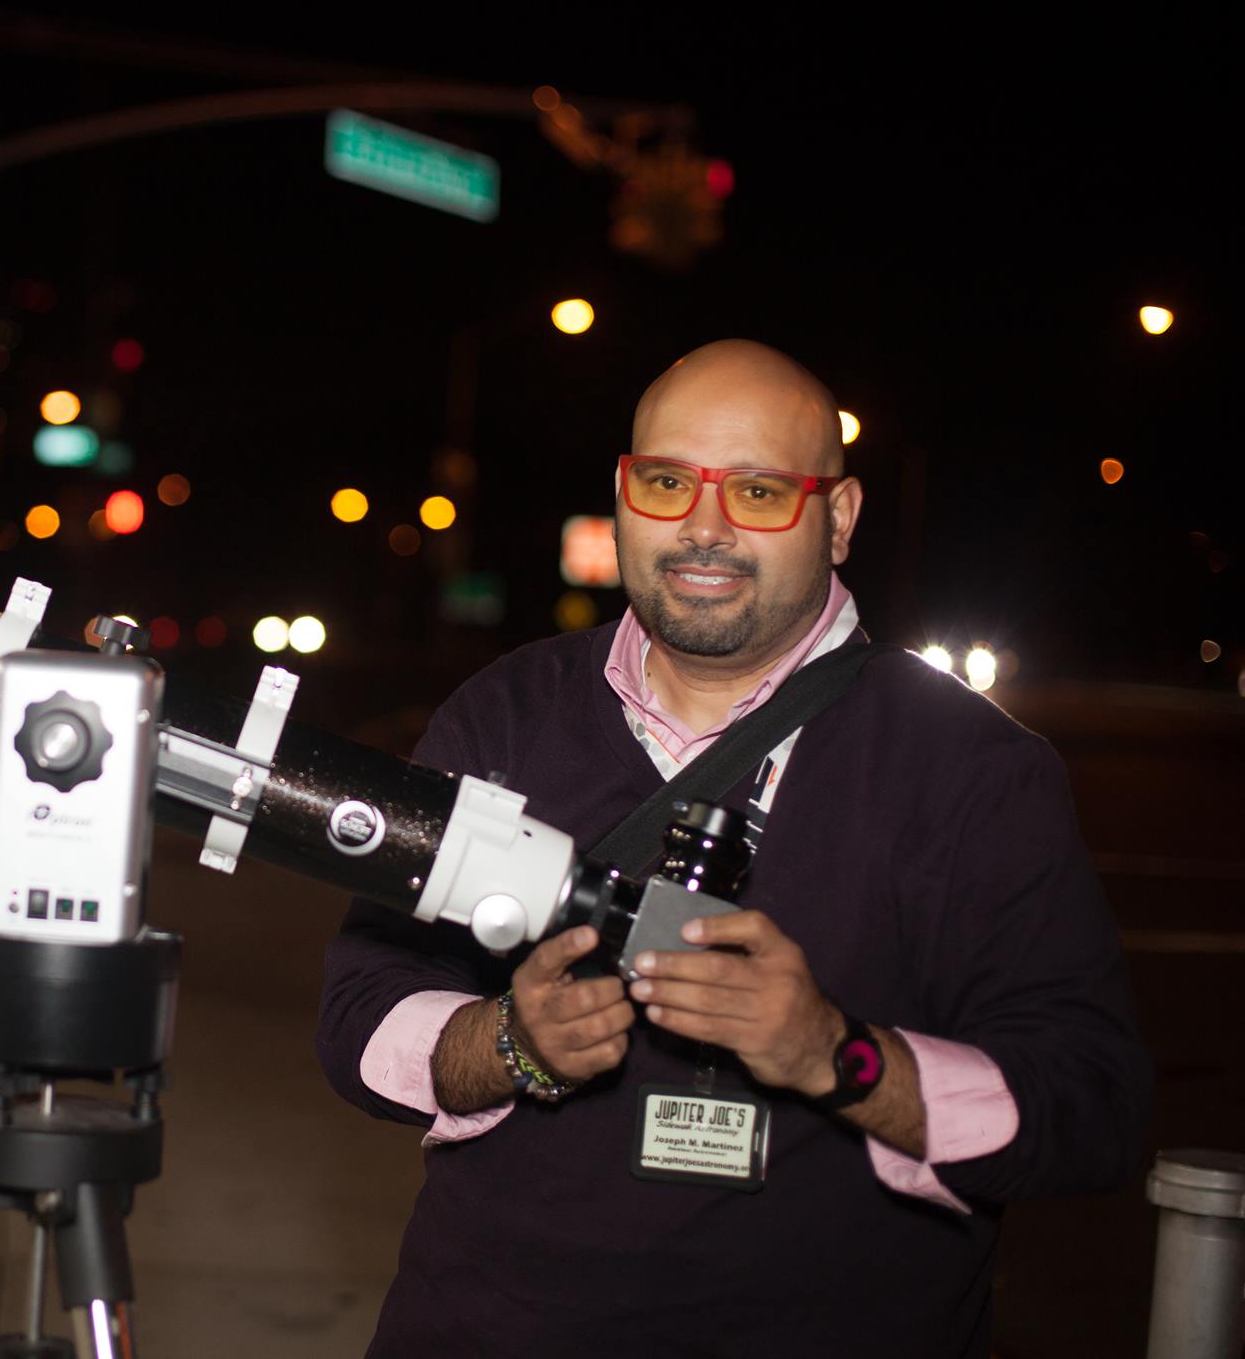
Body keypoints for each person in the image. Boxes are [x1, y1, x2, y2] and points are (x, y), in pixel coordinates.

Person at [315, 340, 1150, 1358]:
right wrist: (506, 1045)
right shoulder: (505, 712)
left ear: (836, 518)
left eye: (757, 491)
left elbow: (1090, 1104)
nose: (701, 527)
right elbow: (360, 1011)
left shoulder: (972, 768)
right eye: (666, 482)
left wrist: (832, 1055)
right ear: (623, 494)